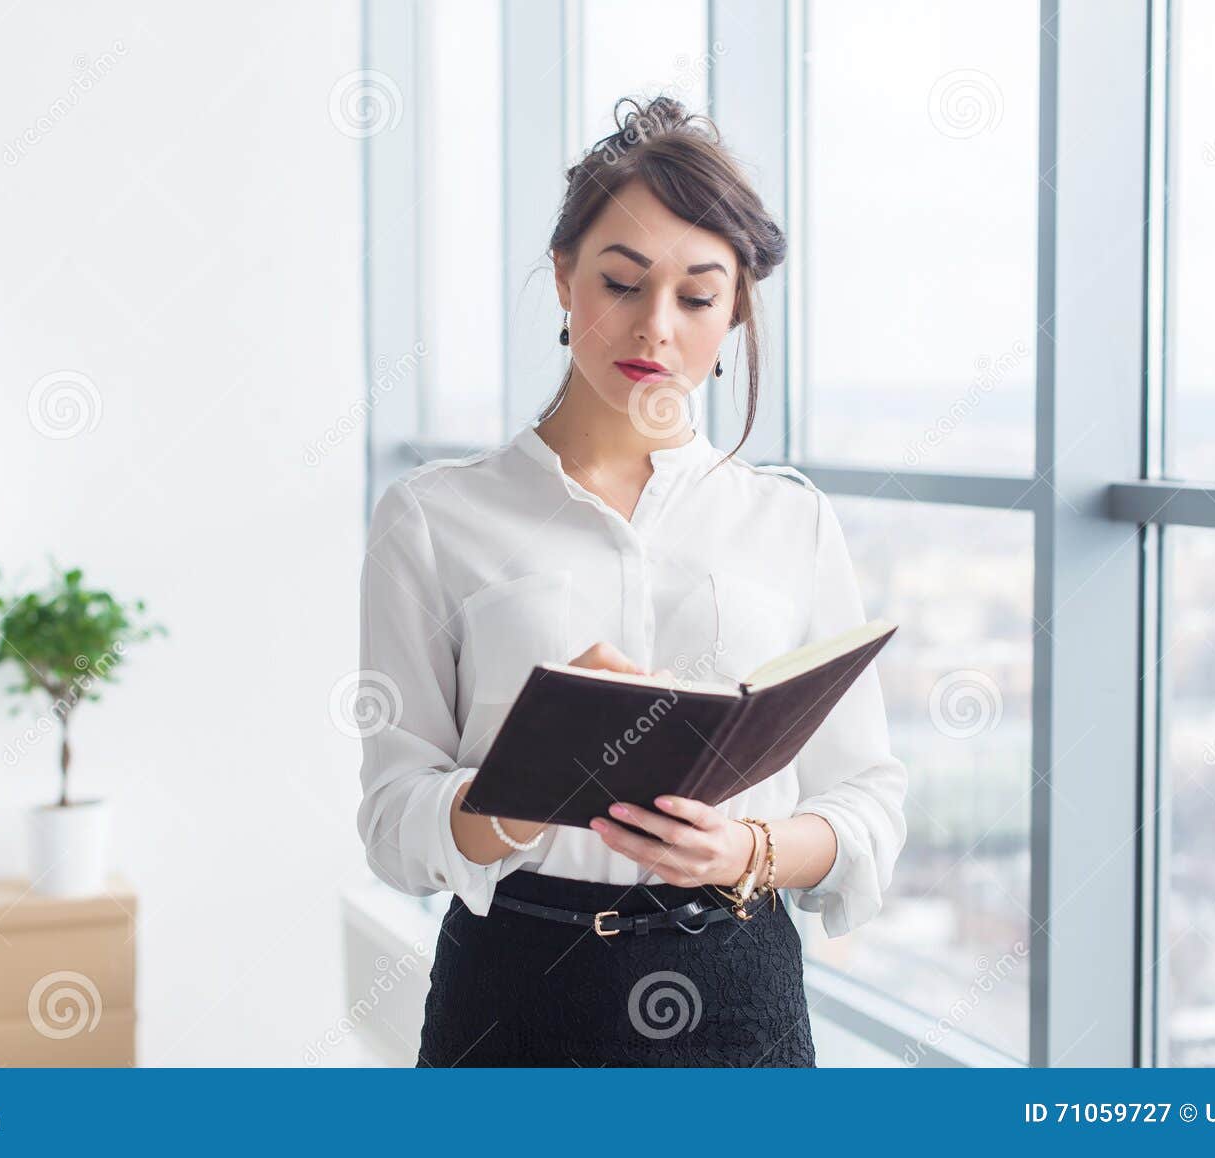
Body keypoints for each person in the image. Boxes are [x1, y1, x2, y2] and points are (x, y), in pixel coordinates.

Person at [355, 94, 907, 1067]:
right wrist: (516, 796)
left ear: (733, 313)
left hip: (740, 993)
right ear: (564, 278)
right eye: (621, 281)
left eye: (696, 297)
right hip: (512, 993)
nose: (654, 327)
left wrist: (747, 853)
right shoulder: (434, 517)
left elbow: (866, 801)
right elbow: (393, 820)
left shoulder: (789, 521)